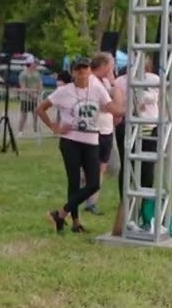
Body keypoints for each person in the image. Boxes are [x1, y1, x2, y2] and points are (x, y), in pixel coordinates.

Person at [37, 57, 123, 234]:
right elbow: (40, 108)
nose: (82, 73)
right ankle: (75, 222)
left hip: (91, 140)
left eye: (85, 69)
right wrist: (54, 127)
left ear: (90, 71)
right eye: (79, 70)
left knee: (94, 183)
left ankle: (60, 213)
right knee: (74, 181)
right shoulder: (64, 91)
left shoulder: (96, 87)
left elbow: (111, 108)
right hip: (71, 141)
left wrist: (128, 108)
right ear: (73, 72)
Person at [111, 55, 159, 236]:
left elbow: (152, 97)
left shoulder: (154, 79)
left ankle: (147, 217)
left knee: (148, 169)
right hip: (128, 126)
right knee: (128, 166)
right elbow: (120, 103)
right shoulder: (120, 81)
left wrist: (137, 98)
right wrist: (134, 102)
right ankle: (126, 213)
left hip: (149, 127)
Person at [82, 52, 117, 215]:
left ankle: (92, 202)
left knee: (101, 167)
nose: (113, 67)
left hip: (107, 129)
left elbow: (114, 102)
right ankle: (82, 195)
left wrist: (113, 83)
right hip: (94, 129)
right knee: (89, 168)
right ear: (103, 65)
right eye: (111, 64)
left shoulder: (106, 82)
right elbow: (104, 105)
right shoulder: (91, 81)